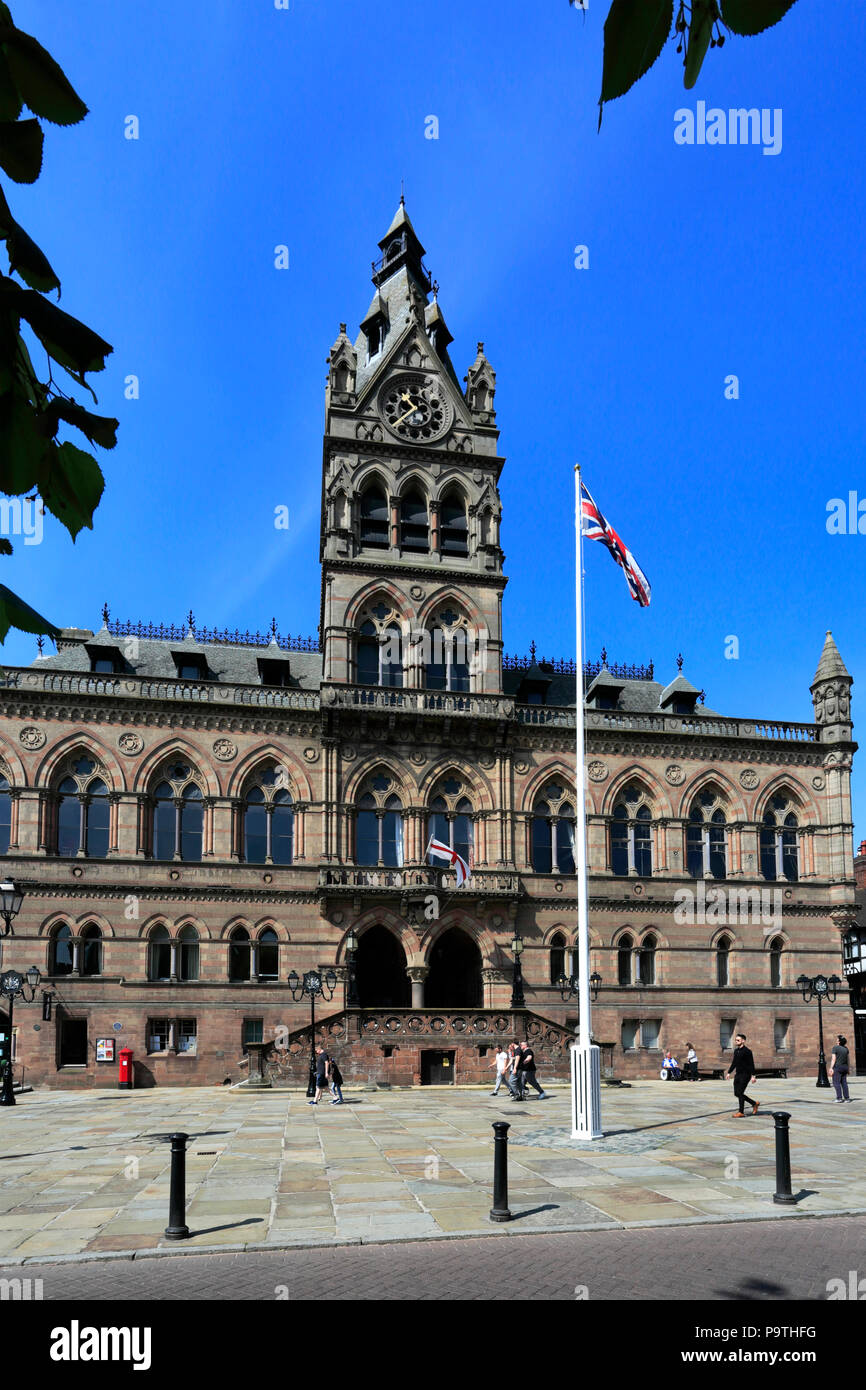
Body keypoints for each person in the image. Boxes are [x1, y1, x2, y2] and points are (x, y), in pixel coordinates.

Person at [726, 1032, 758, 1116]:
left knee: (740, 1093)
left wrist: (753, 1076)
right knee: (736, 1093)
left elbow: (751, 1064)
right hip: (738, 1074)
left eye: (738, 1040)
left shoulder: (747, 1051)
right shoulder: (736, 1051)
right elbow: (734, 1062)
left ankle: (741, 1112)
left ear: (743, 1041)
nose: (736, 1041)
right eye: (735, 1040)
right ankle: (754, 1103)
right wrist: (729, 1072)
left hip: (745, 1075)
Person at [829, 1034, 851, 1103]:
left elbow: (833, 1059)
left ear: (839, 1041)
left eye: (837, 1039)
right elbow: (848, 1059)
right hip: (845, 1067)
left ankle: (839, 1098)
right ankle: (847, 1098)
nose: (836, 1040)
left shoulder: (835, 1048)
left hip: (838, 1067)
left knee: (836, 1083)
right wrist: (848, 1068)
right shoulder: (846, 1049)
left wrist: (831, 1068)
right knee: (844, 1083)